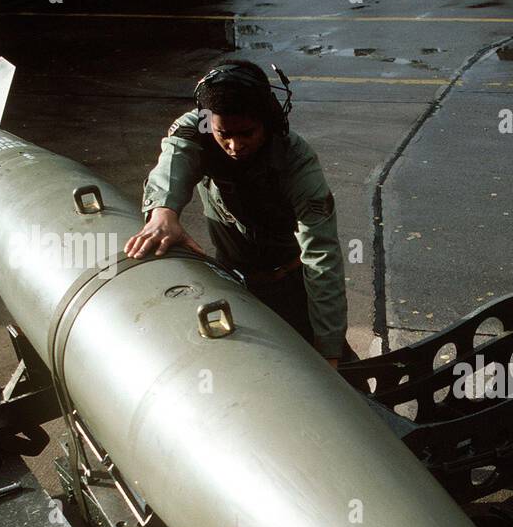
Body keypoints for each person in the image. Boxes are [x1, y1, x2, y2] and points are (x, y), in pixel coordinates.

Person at [125, 60, 348, 367]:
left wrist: (329, 349)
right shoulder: (201, 126)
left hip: (290, 285)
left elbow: (321, 256)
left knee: (344, 382)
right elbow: (176, 154)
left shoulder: (296, 162)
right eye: (224, 134)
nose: (234, 145)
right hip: (231, 280)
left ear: (268, 121)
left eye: (246, 133)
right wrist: (163, 213)